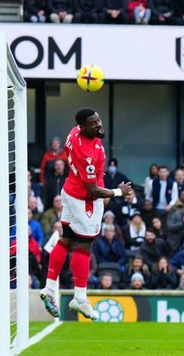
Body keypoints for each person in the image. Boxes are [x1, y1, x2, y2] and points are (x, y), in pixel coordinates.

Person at [39, 108, 135, 320]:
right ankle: (80, 297)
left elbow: (71, 144)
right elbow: (93, 190)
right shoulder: (87, 154)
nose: (99, 125)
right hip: (85, 200)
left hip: (70, 191)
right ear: (83, 127)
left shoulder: (74, 133)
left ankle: (49, 288)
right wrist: (119, 192)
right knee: (84, 245)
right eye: (93, 123)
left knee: (65, 239)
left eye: (98, 120)